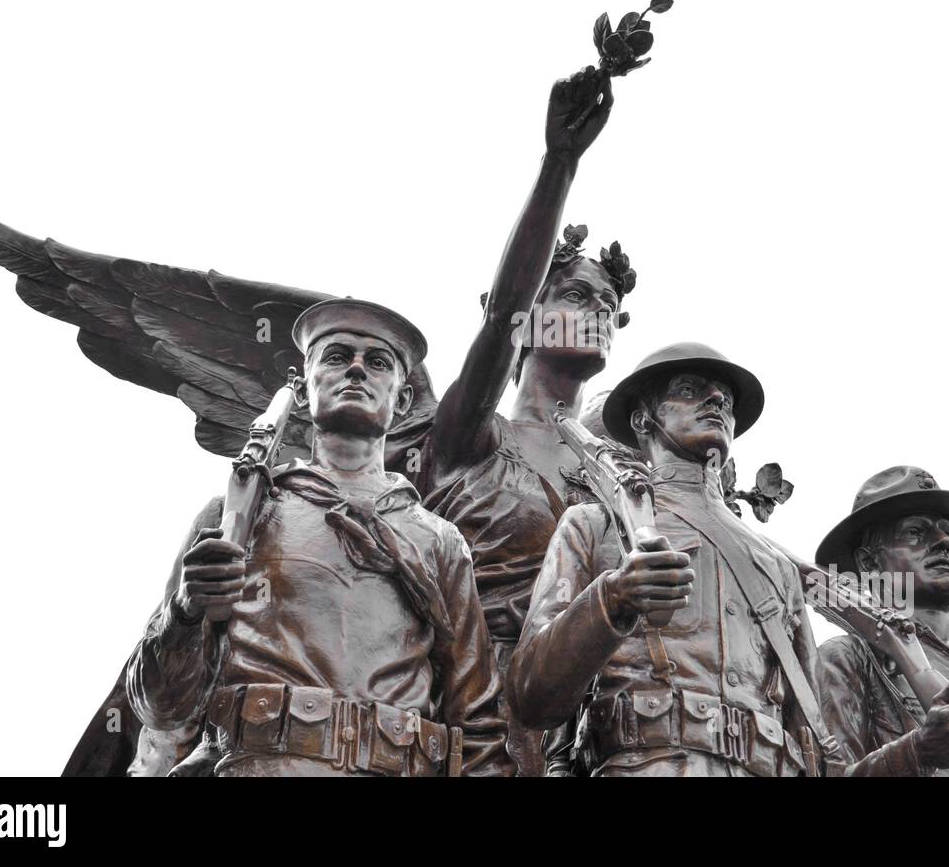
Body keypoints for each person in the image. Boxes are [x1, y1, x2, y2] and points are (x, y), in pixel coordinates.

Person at [126, 298, 512, 776]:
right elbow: (161, 708)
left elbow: (477, 715)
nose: (356, 370)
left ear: (404, 400)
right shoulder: (239, 514)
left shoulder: (439, 541)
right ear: (304, 393)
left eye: (377, 363)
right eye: (336, 357)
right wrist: (186, 612)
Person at [418, 66, 638, 774]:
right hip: (459, 719)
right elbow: (498, 317)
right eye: (575, 293)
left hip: (586, 743)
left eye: (608, 304)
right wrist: (559, 165)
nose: (597, 311)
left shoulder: (626, 486)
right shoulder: (470, 436)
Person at [507, 343, 841, 776]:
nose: (717, 400)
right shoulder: (594, 525)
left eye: (725, 397)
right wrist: (614, 597)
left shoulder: (776, 567)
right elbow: (531, 696)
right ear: (643, 419)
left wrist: (918, 749)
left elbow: (815, 745)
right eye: (689, 389)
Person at [815, 466, 949, 776]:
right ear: (868, 562)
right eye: (915, 532)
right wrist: (918, 752)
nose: (945, 542)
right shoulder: (847, 658)